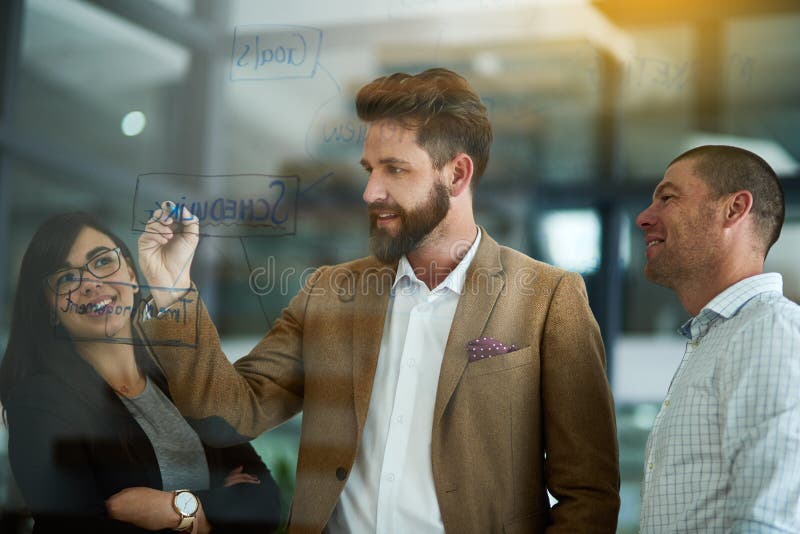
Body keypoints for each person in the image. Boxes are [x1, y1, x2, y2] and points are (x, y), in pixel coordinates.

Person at [136, 68, 620, 533]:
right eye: (370, 169)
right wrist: (172, 290)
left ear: (456, 174)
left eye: (395, 169)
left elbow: (588, 492)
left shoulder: (548, 299)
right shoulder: (329, 293)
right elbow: (230, 414)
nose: (370, 192)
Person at [0, 213, 281, 533]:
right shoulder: (38, 403)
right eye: (66, 279)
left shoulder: (174, 375)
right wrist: (215, 511)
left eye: (102, 262)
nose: (90, 283)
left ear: (132, 276)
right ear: (51, 309)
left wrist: (180, 510)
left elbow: (265, 500)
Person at [636, 145, 800, 532]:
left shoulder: (768, 329)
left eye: (667, 198)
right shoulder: (719, 337)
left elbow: (767, 522)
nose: (644, 218)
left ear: (734, 209)